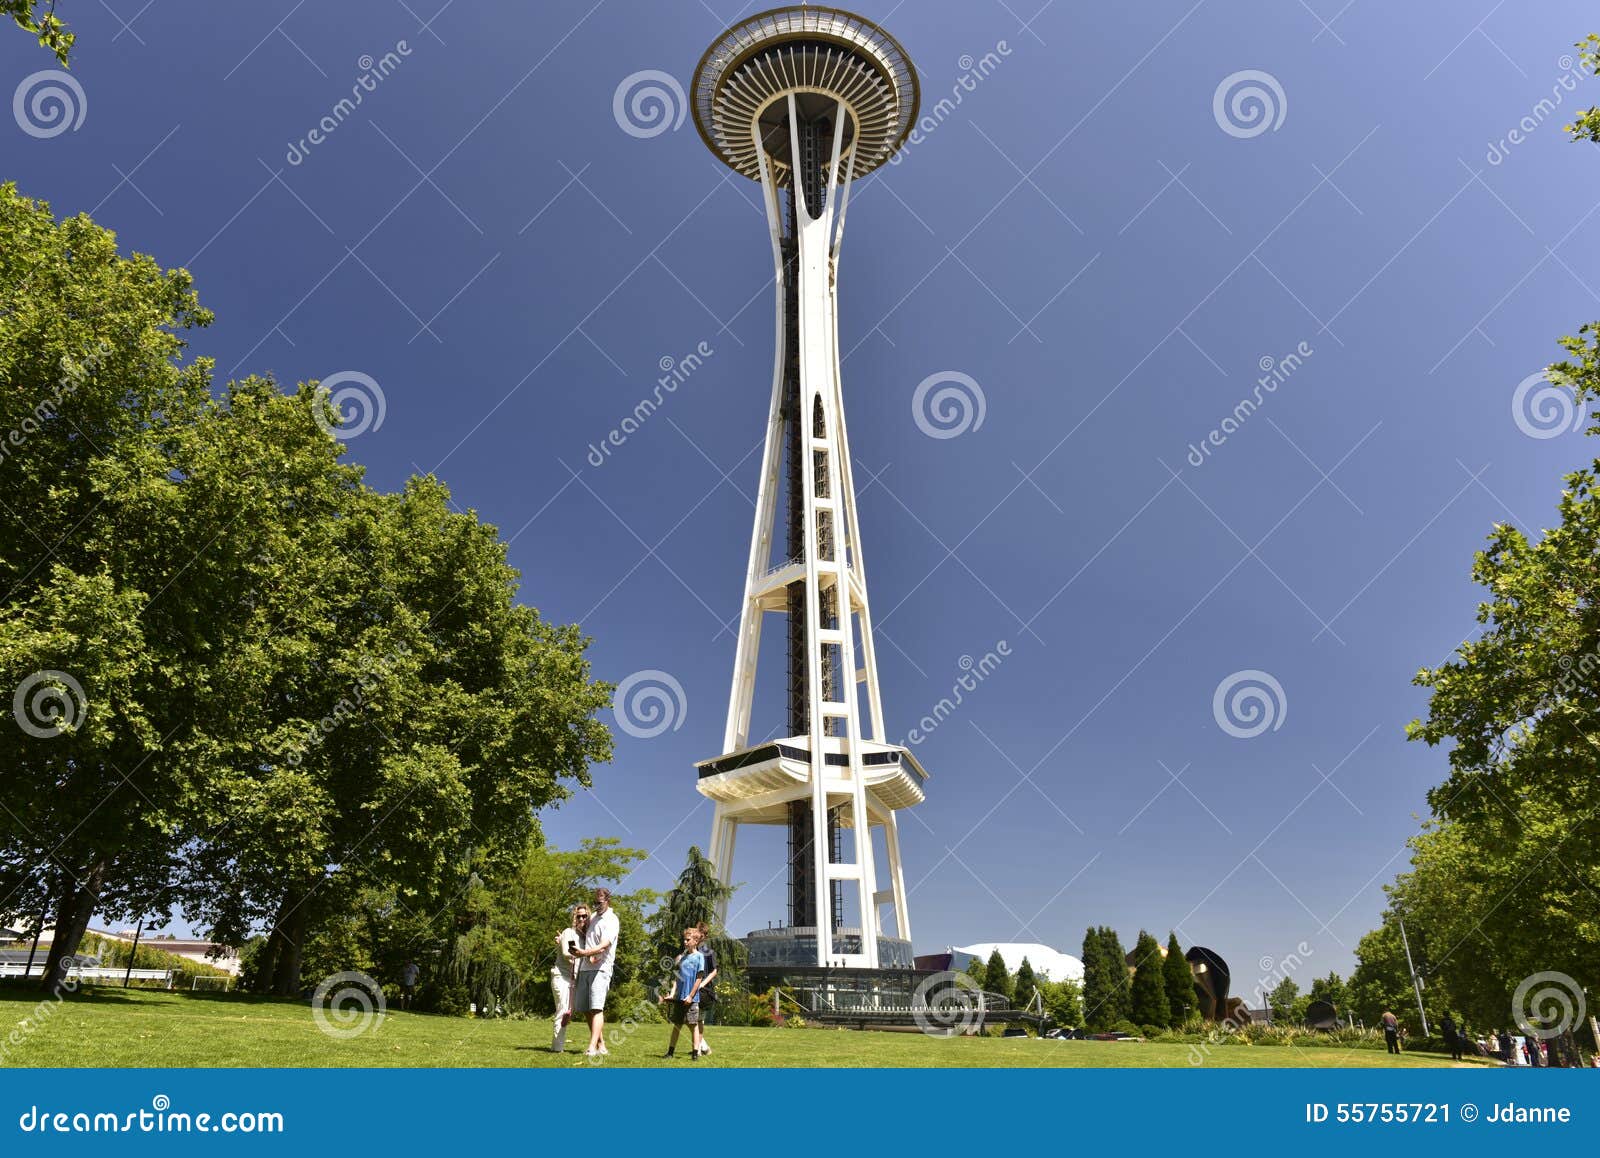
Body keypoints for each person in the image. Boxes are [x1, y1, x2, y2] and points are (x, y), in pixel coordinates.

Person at [572, 886, 619, 1057]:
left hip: (601, 969)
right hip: (586, 967)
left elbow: (604, 945)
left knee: (597, 1008)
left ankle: (592, 1047)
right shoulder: (593, 917)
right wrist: (564, 939)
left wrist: (585, 953)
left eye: (599, 902)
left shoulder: (612, 920)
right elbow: (584, 935)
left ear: (607, 901)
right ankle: (601, 1045)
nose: (596, 905)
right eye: (595, 902)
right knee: (585, 1009)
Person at [660, 927, 706, 1060]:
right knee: (677, 1026)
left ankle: (695, 1054)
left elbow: (699, 978)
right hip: (680, 998)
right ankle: (670, 1053)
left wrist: (690, 996)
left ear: (695, 941)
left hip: (692, 999)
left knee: (693, 1025)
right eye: (684, 940)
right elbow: (677, 978)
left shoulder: (699, 957)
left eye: (688, 940)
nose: (685, 942)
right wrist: (672, 994)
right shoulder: (683, 958)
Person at [550, 904, 587, 1052]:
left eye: (584, 916)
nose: (581, 919)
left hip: (573, 981)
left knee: (568, 1013)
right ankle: (557, 1048)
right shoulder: (569, 932)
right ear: (574, 917)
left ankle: (557, 1046)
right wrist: (579, 954)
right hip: (561, 976)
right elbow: (567, 953)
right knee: (563, 1010)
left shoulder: (585, 938)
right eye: (579, 916)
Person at [692, 920, 718, 1058]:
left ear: (704, 935)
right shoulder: (692, 951)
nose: (697, 935)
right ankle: (703, 1047)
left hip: (704, 991)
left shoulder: (708, 952)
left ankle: (699, 1049)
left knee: (698, 1020)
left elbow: (714, 971)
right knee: (691, 1019)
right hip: (692, 989)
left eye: (699, 932)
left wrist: (702, 984)